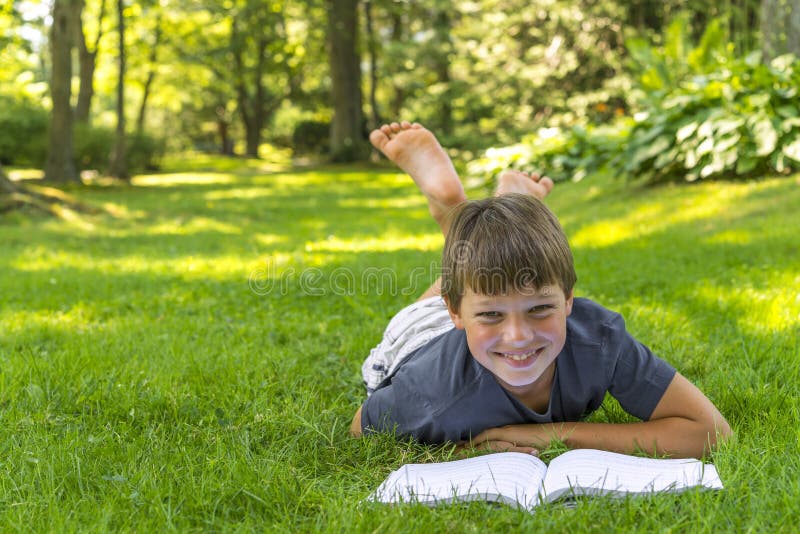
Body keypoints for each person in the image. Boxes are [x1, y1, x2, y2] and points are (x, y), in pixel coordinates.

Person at [350, 121, 731, 458]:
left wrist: (549, 435)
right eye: (492, 314)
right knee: (444, 301)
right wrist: (459, 451)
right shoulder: (428, 390)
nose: (519, 336)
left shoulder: (597, 338)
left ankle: (488, 216)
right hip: (417, 339)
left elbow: (713, 433)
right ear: (456, 313)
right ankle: (455, 215)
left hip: (468, 313)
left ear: (568, 300)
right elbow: (359, 429)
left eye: (539, 309)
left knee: (480, 280)